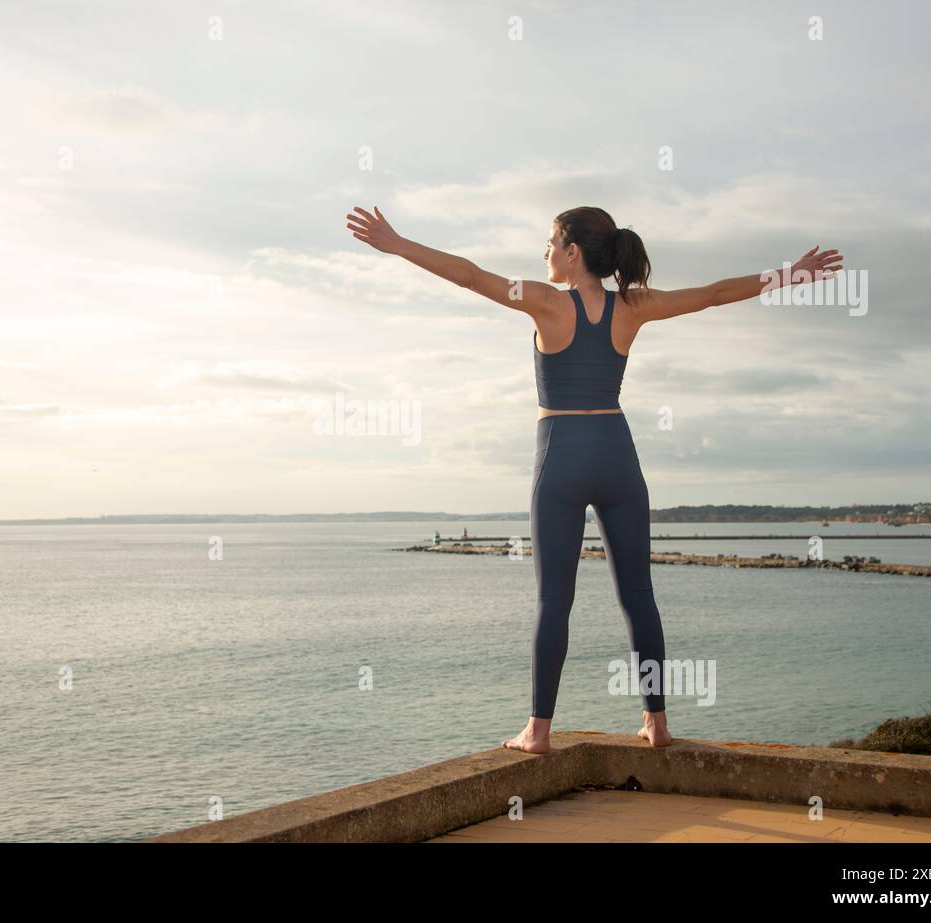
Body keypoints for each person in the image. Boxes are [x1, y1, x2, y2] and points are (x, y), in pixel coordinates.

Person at [346, 204, 841, 753]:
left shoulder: (544, 301)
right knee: (639, 596)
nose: (545, 253)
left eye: (550, 243)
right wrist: (789, 274)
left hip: (561, 456)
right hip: (618, 456)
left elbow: (469, 274)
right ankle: (656, 723)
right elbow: (716, 293)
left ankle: (537, 731)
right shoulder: (635, 305)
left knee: (554, 601)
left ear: (572, 252)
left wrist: (398, 244)